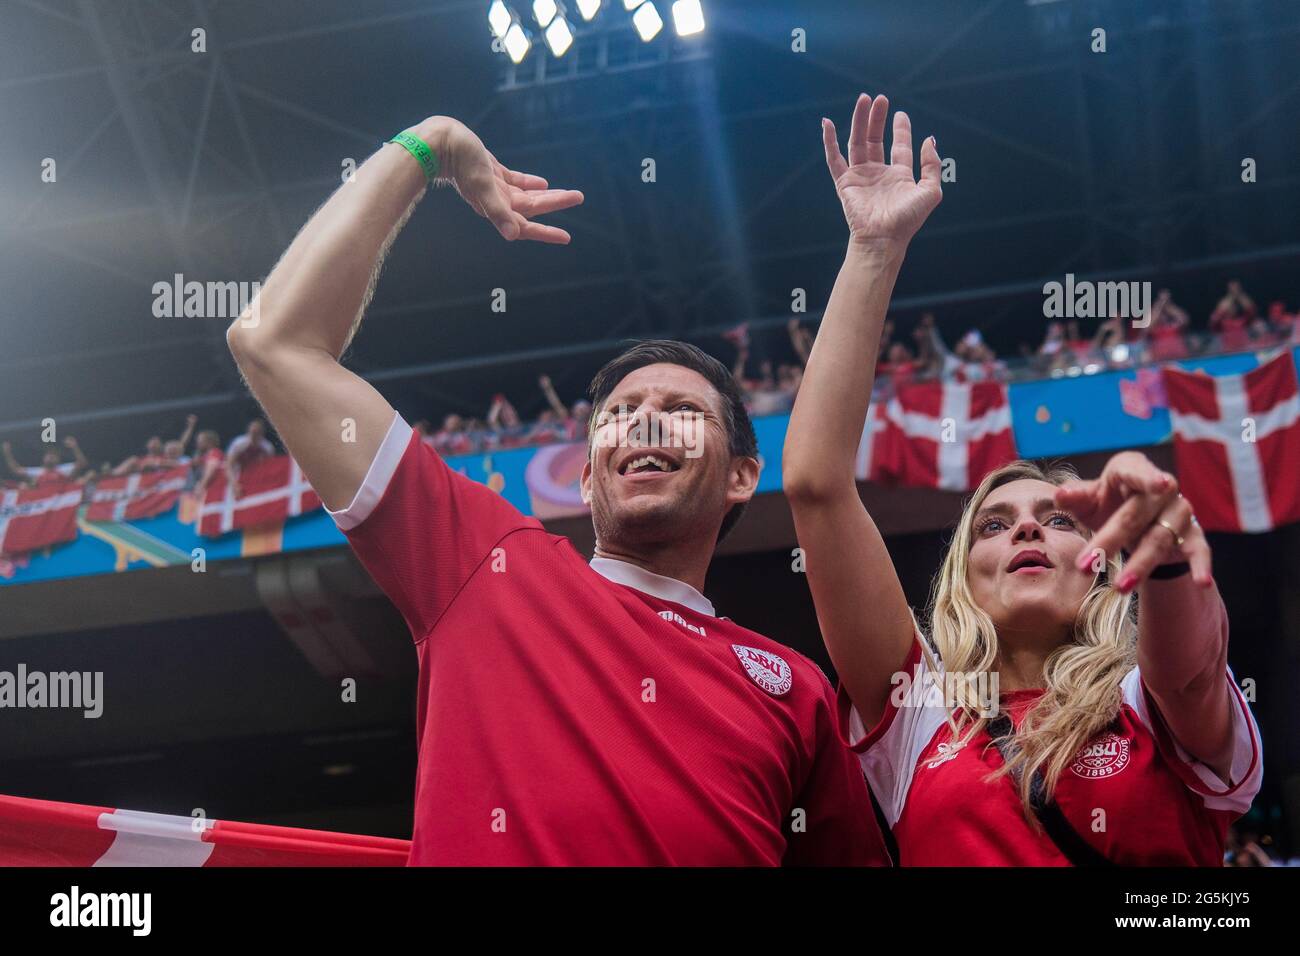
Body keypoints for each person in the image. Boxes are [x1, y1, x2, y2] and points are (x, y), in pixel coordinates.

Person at [224, 111, 885, 866]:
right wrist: (429, 145)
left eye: (681, 412)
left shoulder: (796, 692)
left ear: (742, 475)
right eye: (620, 415)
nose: (646, 426)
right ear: (586, 471)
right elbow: (274, 342)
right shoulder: (484, 563)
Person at [783, 93, 1261, 866]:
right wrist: (873, 250)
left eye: (1060, 518)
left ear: (1105, 565)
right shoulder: (918, 710)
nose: (1028, 528)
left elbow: (1189, 671)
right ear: (962, 578)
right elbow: (814, 483)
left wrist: (1165, 555)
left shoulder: (1146, 700)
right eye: (994, 525)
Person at [2, 437, 88, 486]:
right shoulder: (37, 472)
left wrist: (74, 447)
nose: (51, 456)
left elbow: (82, 463)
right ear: (43, 459)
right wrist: (7, 453)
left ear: (58, 460)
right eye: (48, 455)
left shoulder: (64, 469)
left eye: (54, 455)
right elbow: (16, 470)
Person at [224, 419, 275, 498]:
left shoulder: (267, 447)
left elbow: (271, 467)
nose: (254, 435)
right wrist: (234, 485)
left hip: (256, 477)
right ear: (248, 431)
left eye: (257, 432)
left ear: (262, 433)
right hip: (239, 475)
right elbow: (228, 465)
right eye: (252, 432)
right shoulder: (239, 443)